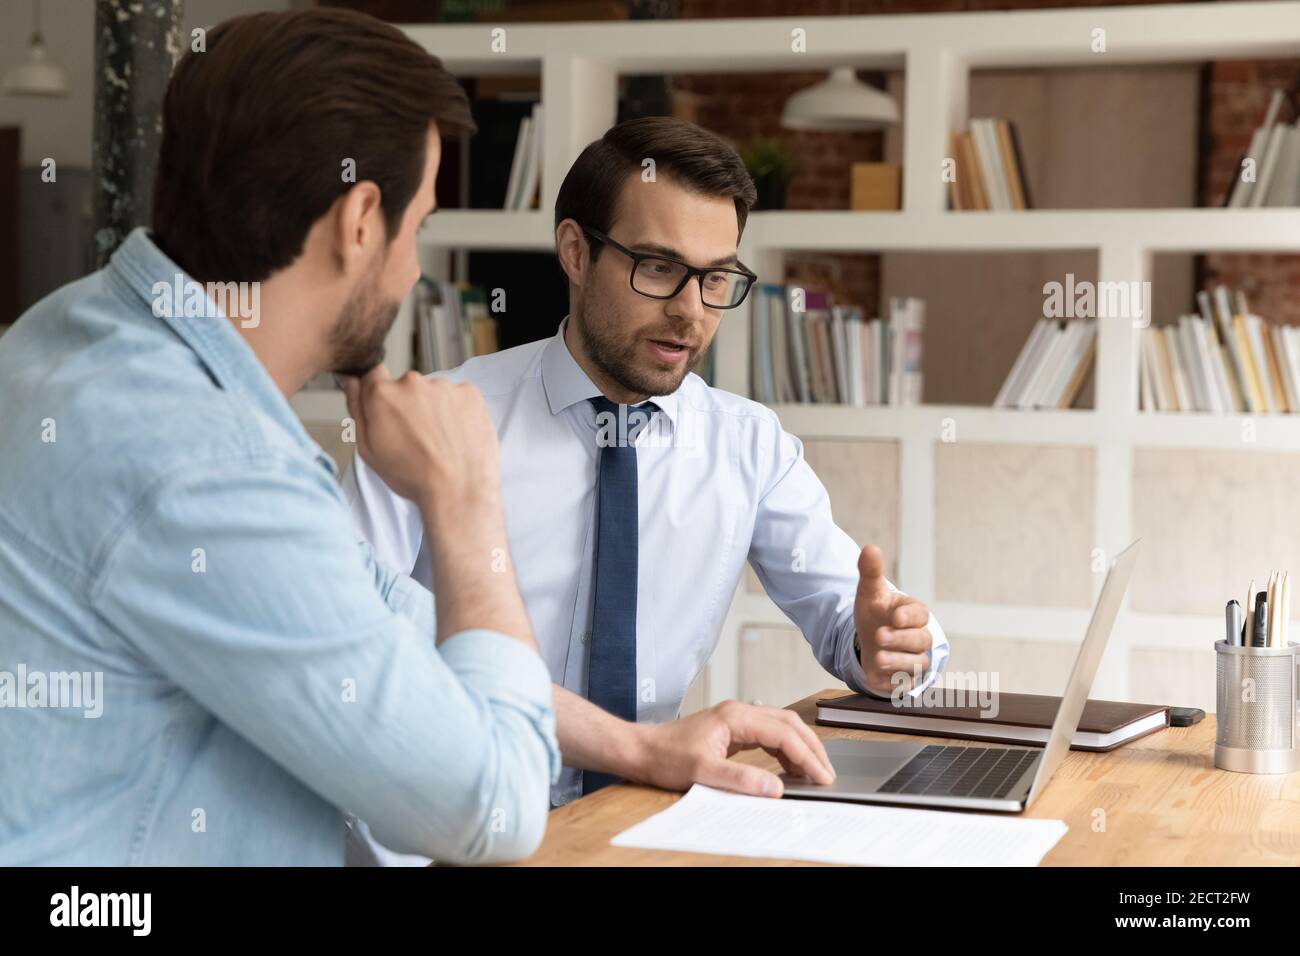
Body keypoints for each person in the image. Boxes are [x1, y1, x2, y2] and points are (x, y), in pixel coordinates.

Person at [0, 8, 559, 866]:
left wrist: (632, 744)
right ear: (361, 218)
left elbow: (372, 617)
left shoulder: (63, 333)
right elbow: (495, 813)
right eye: (421, 228)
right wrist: (466, 498)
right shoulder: (208, 462)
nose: (413, 270)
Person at [345, 116, 950, 865]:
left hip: (635, 828)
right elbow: (354, 645)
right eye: (658, 268)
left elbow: (854, 619)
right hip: (442, 835)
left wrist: (886, 644)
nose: (691, 311)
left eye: (717, 278)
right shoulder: (435, 420)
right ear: (576, 251)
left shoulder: (746, 442)